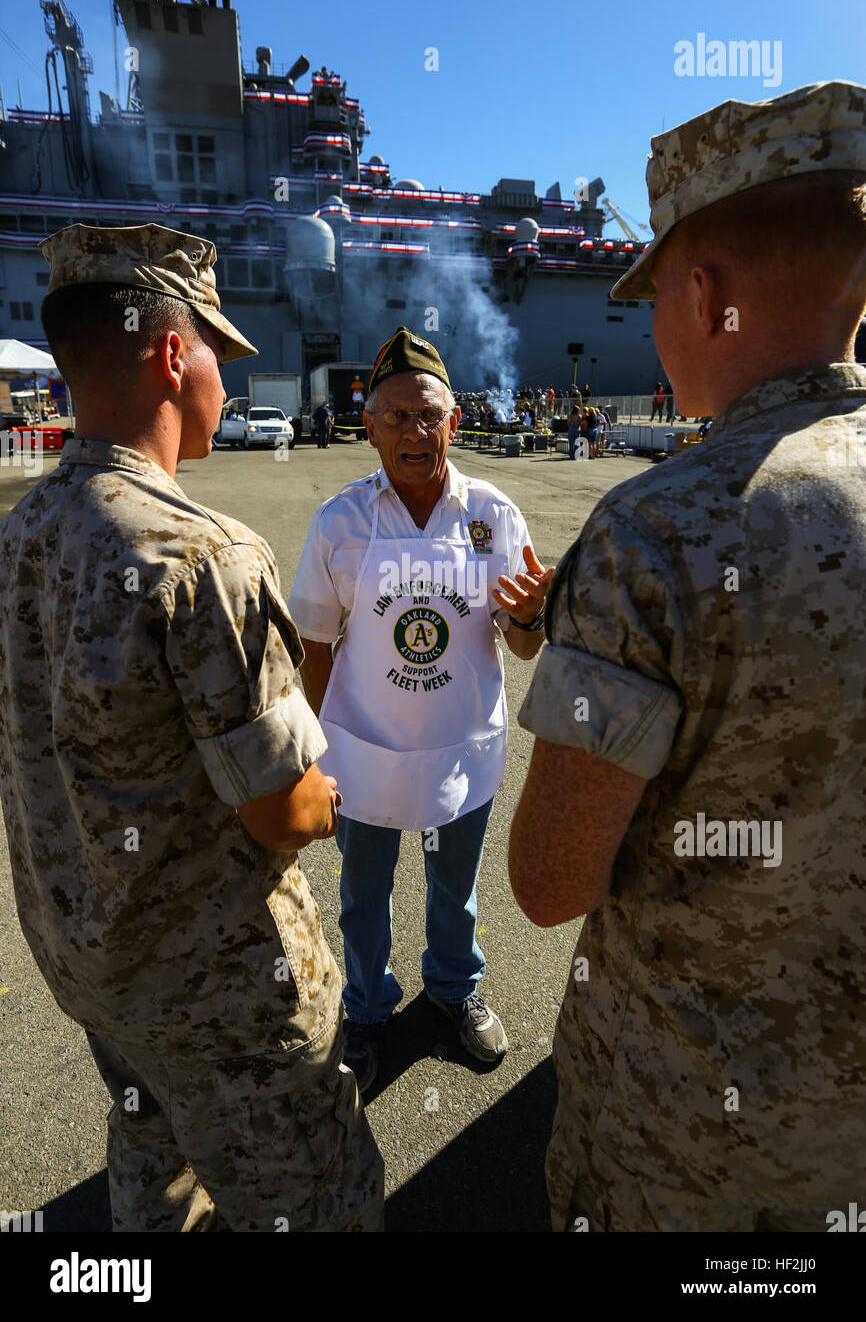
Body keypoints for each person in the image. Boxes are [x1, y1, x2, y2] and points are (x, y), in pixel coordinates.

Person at [509, 79, 866, 1232]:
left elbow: (549, 882)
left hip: (685, 1153)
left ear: (702, 295)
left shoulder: (655, 528)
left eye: (654, 290)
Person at [0, 222, 383, 1232]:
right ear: (174, 354)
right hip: (223, 992)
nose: (227, 375)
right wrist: (326, 794)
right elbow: (281, 809)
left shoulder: (21, 534)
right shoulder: (199, 553)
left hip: (87, 957)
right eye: (218, 347)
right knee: (320, 1193)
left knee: (152, 1153)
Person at [288, 327, 552, 1093]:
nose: (414, 432)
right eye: (396, 417)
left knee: (454, 892)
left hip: (461, 753)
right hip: (362, 754)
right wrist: (319, 751)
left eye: (428, 415)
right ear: (367, 425)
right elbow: (315, 647)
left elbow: (523, 647)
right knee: (363, 897)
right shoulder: (341, 522)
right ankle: (368, 1009)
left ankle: (452, 990)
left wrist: (532, 616)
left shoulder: (492, 516)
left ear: (455, 423)